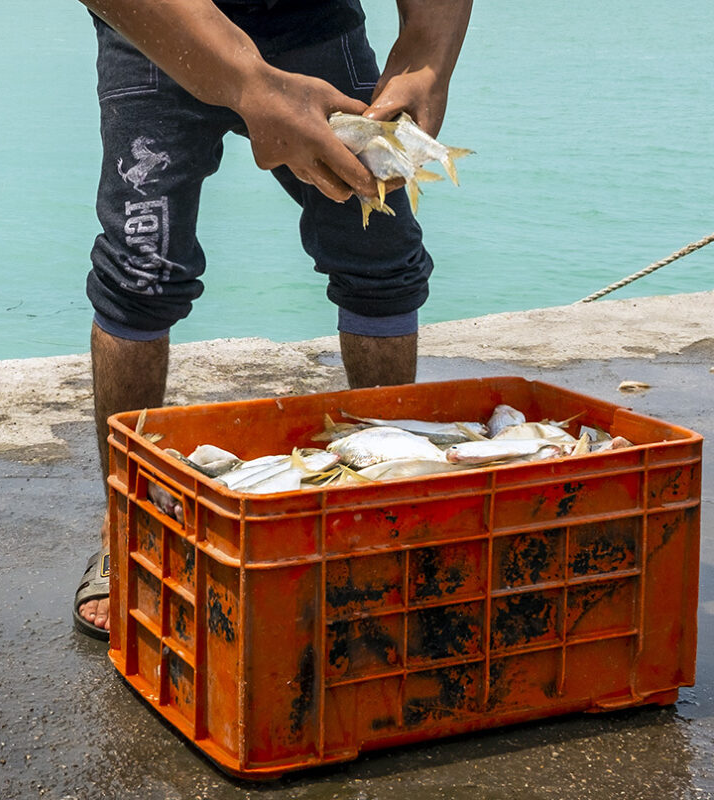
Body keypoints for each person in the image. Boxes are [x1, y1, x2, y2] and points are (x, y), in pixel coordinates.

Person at [72, 0, 472, 639]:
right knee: (141, 272)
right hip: (159, 34)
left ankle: (387, 494)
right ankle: (126, 516)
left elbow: (429, 34)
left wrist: (428, 55)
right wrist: (251, 84)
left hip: (314, 28)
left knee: (381, 256)